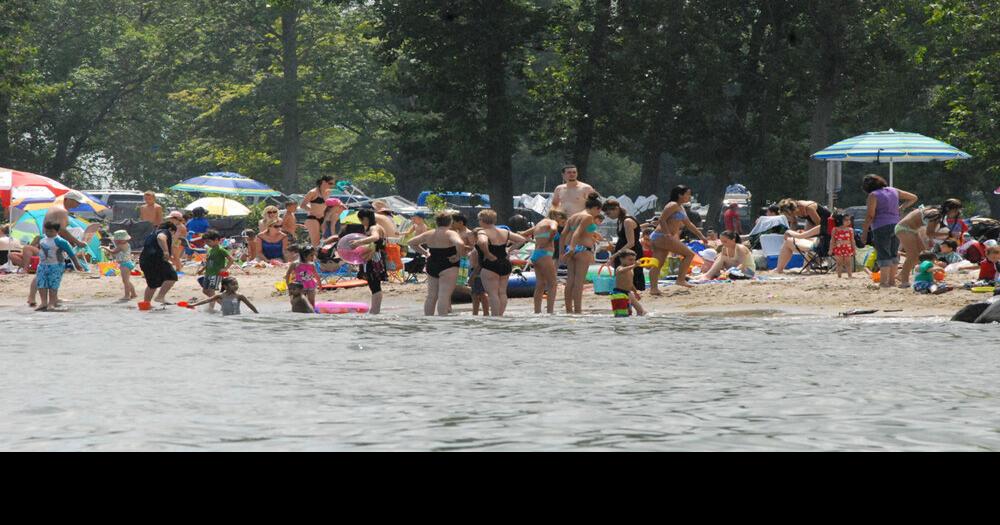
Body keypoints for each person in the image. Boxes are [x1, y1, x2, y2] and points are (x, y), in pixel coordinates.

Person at [26, 191, 87, 307]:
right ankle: (40, 298)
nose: (78, 205)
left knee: (43, 270)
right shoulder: (62, 211)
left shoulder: (55, 208)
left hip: (47, 242)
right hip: (52, 244)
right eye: (76, 202)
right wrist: (77, 242)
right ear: (67, 199)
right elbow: (62, 230)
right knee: (52, 271)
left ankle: (37, 297)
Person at [858, 175, 918, 287]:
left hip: (880, 226)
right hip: (896, 225)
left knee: (883, 254)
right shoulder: (893, 190)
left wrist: (864, 232)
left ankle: (883, 282)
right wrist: (901, 208)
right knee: (894, 254)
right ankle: (892, 281)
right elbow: (913, 197)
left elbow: (870, 216)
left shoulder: (873, 195)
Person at [647, 185, 708, 293]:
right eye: (688, 194)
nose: (690, 196)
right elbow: (662, 219)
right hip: (662, 236)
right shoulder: (673, 205)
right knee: (689, 254)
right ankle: (680, 280)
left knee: (658, 263)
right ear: (680, 195)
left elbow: (689, 224)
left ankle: (654, 289)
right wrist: (667, 234)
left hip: (660, 237)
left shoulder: (680, 207)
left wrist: (701, 236)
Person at [408, 212, 467, 316]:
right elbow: (460, 243)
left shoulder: (429, 233)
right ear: (450, 222)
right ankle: (442, 321)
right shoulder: (450, 233)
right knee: (444, 295)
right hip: (448, 264)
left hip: (432, 264)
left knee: (431, 296)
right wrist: (458, 256)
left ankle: (428, 320)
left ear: (437, 222)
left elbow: (411, 242)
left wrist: (425, 253)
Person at [476, 209, 527, 316]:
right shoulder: (504, 231)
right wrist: (509, 249)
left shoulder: (483, 232)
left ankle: (495, 318)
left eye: (479, 219)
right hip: (505, 264)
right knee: (502, 292)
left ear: (482, 220)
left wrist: (487, 254)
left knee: (492, 294)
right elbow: (522, 240)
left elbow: (482, 242)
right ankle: (500, 315)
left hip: (490, 264)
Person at [561, 193, 603, 313]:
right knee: (579, 282)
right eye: (598, 211)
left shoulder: (573, 217)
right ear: (596, 208)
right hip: (582, 249)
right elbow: (577, 233)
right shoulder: (588, 217)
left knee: (570, 280)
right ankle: (578, 311)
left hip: (570, 248)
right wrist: (573, 247)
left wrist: (563, 251)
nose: (598, 214)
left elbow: (563, 234)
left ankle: (569, 311)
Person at [521, 208, 567, 314]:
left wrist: (536, 240)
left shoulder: (539, 224)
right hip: (545, 255)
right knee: (552, 283)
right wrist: (549, 239)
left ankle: (537, 311)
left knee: (540, 284)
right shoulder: (552, 222)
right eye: (562, 221)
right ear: (558, 217)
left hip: (536, 255)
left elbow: (523, 233)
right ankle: (550, 312)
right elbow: (554, 229)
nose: (562, 224)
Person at [773, 198, 835, 273]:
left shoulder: (809, 208)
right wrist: (805, 233)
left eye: (791, 215)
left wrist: (791, 233)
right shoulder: (795, 208)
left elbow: (819, 227)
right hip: (826, 238)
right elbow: (794, 223)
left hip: (823, 241)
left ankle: (779, 269)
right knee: (802, 238)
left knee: (788, 242)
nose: (793, 216)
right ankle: (806, 267)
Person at [34, 221, 83, 311]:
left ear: (57, 231)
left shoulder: (60, 241)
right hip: (42, 265)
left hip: (56, 266)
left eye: (51, 231)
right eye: (47, 231)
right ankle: (43, 302)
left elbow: (71, 253)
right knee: (41, 284)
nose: (48, 233)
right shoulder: (42, 239)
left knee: (53, 285)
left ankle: (52, 303)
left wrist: (77, 264)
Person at [894, 206, 947, 288]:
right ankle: (904, 281)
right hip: (904, 228)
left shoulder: (934, 211)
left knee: (923, 255)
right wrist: (948, 234)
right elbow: (930, 233)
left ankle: (900, 275)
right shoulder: (935, 214)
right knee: (912, 256)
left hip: (912, 229)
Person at [602, 199, 645, 297]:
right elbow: (623, 240)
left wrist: (615, 255)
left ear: (616, 209)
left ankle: (635, 295)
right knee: (622, 277)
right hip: (623, 253)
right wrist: (613, 248)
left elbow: (631, 242)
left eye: (608, 213)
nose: (608, 216)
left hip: (631, 253)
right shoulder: (620, 220)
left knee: (632, 276)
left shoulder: (627, 221)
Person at [350, 208, 388, 314]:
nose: (361, 222)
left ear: (366, 218)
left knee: (375, 285)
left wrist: (358, 242)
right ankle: (375, 310)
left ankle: (375, 311)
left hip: (375, 259)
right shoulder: (375, 226)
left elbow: (375, 237)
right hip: (373, 258)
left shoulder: (373, 228)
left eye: (361, 220)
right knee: (373, 284)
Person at [452, 213, 488, 316]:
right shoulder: (456, 232)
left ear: (460, 222)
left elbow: (474, 247)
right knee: (455, 285)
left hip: (465, 261)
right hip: (460, 260)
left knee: (459, 285)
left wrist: (462, 246)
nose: (452, 224)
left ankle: (475, 294)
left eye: (454, 222)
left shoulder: (468, 233)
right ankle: (474, 308)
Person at [139, 221, 178, 305]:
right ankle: (160, 297)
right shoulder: (165, 231)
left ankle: (146, 304)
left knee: (152, 283)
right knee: (172, 277)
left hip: (144, 260)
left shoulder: (152, 233)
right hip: (155, 259)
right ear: (170, 229)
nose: (172, 236)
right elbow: (161, 238)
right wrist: (166, 251)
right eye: (173, 233)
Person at [197, 230, 235, 312]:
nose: (207, 243)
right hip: (208, 273)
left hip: (216, 274)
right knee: (205, 291)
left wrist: (225, 268)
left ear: (217, 240)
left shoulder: (220, 249)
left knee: (211, 292)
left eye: (209, 241)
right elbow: (208, 262)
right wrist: (202, 270)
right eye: (206, 242)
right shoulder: (210, 250)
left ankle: (210, 309)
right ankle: (224, 304)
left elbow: (231, 259)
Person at [189, 277, 258, 315]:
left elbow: (250, 305)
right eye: (233, 284)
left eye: (236, 284)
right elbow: (207, 300)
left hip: (236, 317)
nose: (236, 286)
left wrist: (257, 313)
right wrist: (193, 305)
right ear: (225, 286)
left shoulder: (239, 296)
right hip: (224, 318)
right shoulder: (221, 295)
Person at [300, 175, 334, 246]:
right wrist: (312, 210)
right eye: (330, 183)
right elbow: (303, 205)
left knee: (327, 239)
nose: (332, 186)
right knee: (315, 242)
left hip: (323, 218)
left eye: (333, 184)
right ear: (324, 182)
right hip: (313, 218)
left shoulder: (328, 192)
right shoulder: (313, 192)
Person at [612, 249, 646, 316]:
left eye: (634, 260)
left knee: (641, 311)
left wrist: (635, 292)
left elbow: (630, 283)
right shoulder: (620, 268)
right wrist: (634, 266)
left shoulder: (631, 269)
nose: (632, 262)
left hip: (629, 293)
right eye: (630, 260)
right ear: (621, 259)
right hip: (619, 293)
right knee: (623, 314)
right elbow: (621, 270)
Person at [109, 230, 138, 301]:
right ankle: (133, 294)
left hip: (125, 264)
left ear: (119, 240)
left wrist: (104, 247)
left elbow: (113, 252)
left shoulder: (121, 246)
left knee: (125, 281)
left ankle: (127, 295)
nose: (115, 241)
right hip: (128, 263)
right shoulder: (126, 244)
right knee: (127, 281)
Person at [829, 212, 856, 278]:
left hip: (847, 247)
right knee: (839, 263)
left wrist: (854, 249)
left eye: (849, 220)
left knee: (848, 263)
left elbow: (852, 240)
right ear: (840, 220)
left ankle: (850, 275)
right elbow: (832, 240)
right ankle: (839, 276)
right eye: (846, 220)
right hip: (838, 248)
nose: (848, 221)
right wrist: (830, 249)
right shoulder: (835, 229)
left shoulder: (850, 230)